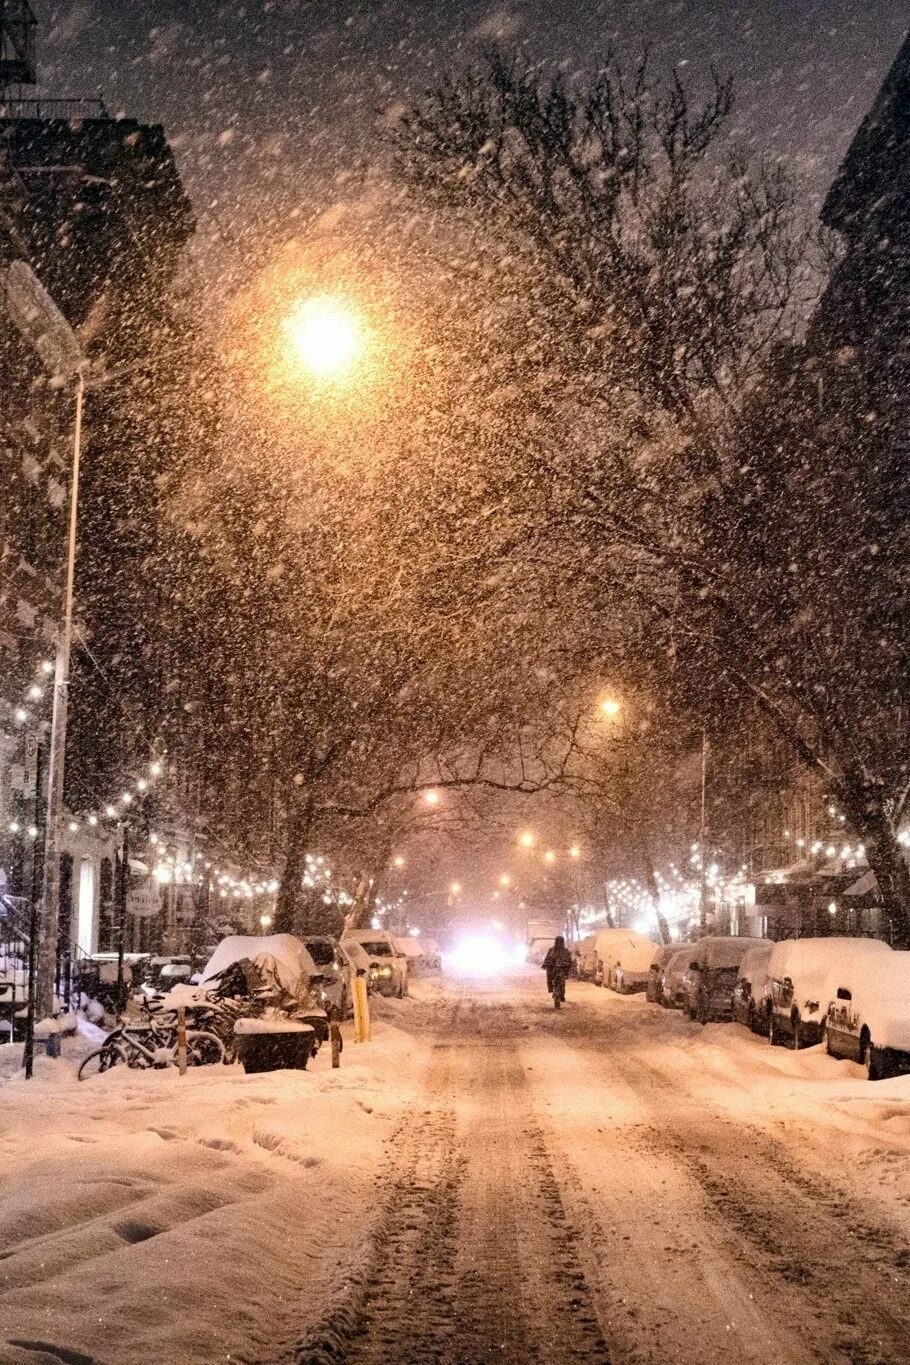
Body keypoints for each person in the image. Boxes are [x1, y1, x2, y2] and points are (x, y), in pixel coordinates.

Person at [542, 935, 574, 1008]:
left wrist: (564, 965)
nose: (559, 943)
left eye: (560, 941)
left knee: (562, 985)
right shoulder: (551, 950)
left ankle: (562, 996)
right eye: (558, 941)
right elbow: (547, 959)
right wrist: (546, 964)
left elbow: (569, 961)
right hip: (553, 971)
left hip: (561, 971)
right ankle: (552, 991)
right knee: (550, 981)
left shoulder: (565, 951)